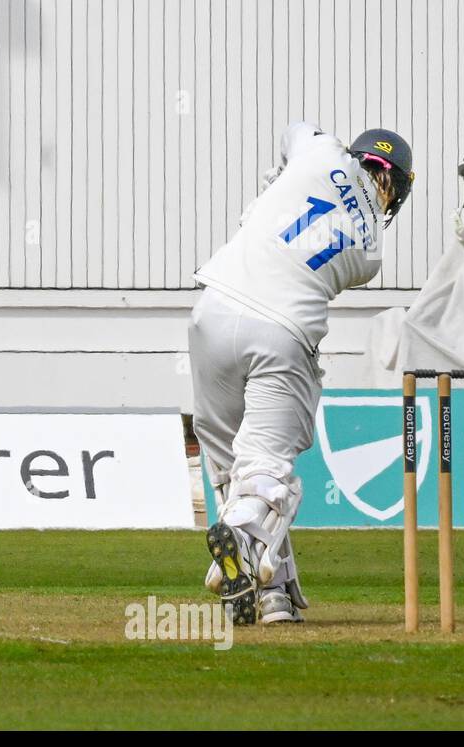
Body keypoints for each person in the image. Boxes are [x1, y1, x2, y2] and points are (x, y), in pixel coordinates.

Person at [190, 123, 414, 623]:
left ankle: (272, 597)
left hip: (211, 312)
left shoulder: (320, 151)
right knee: (265, 474)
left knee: (232, 471)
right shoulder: (371, 250)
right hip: (280, 331)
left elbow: (294, 129)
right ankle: (245, 539)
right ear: (395, 186)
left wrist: (280, 177)